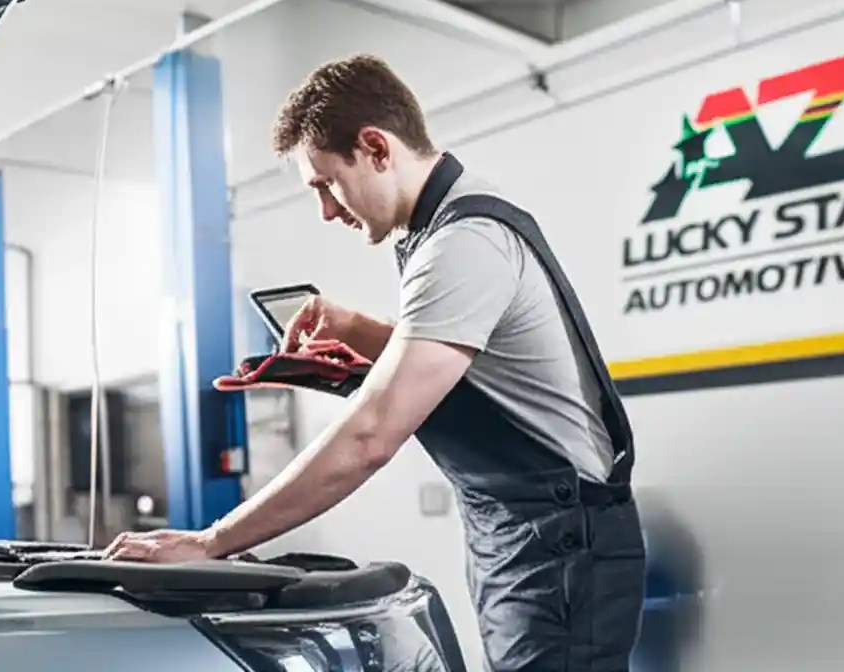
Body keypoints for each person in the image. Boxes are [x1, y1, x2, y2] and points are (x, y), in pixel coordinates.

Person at [104, 54, 646, 671]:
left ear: (376, 148)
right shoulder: (440, 228)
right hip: (525, 535)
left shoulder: (463, 243)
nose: (327, 211)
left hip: (559, 544)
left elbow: (370, 437)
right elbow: (471, 369)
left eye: (325, 183)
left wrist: (212, 543)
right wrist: (354, 331)